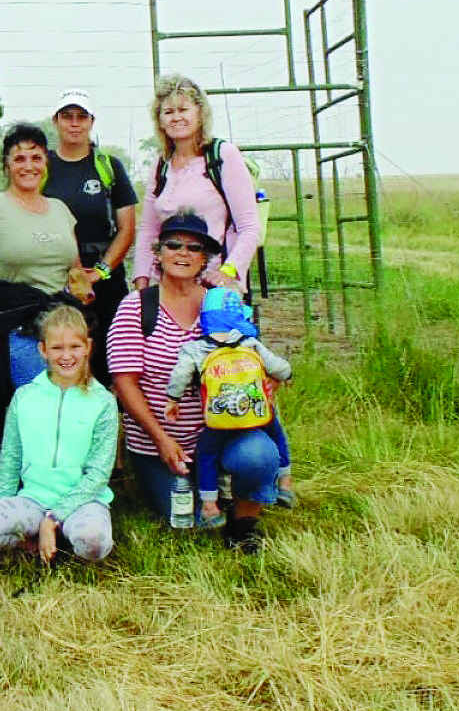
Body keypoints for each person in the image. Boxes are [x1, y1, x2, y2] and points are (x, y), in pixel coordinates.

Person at [110, 211, 283, 554]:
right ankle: (206, 489)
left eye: (194, 247)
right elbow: (125, 382)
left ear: (206, 259)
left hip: (225, 429)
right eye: (173, 244)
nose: (183, 253)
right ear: (158, 253)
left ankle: (244, 522)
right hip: (161, 443)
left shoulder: (222, 303)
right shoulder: (136, 308)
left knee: (258, 456)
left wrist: (268, 380)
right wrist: (161, 440)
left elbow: (252, 357)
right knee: (188, 523)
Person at [0, 306, 118, 563]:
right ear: (42, 350)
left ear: (88, 347)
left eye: (75, 347)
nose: (66, 356)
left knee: (94, 543)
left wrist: (53, 518)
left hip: (84, 502)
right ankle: (31, 539)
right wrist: (4, 510)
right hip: (34, 499)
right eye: (57, 348)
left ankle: (59, 534)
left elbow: (98, 474)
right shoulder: (24, 398)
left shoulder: (103, 402)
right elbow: (10, 462)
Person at [0, 123, 83, 389]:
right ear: (7, 165)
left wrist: (84, 291)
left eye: (36, 158)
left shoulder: (60, 209)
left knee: (69, 401)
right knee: (34, 401)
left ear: (46, 163)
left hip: (63, 328)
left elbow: (75, 268)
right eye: (19, 159)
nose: (28, 166)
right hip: (18, 327)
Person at [163, 287, 294, 529]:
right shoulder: (250, 344)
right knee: (278, 436)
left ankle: (209, 506)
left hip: (219, 419)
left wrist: (173, 399)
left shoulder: (196, 349)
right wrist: (286, 375)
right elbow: (277, 366)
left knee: (207, 456)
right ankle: (285, 482)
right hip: (256, 414)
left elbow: (179, 376)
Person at [131, 75, 263, 294]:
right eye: (168, 112)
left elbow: (249, 227)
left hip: (214, 284)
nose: (176, 118)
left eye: (183, 110)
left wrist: (228, 272)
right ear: (160, 121)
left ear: (200, 114)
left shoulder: (223, 156)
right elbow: (148, 230)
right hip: (166, 284)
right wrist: (141, 282)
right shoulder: (160, 164)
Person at [44, 89, 137, 384]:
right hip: (55, 277)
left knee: (111, 362)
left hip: (105, 278)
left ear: (91, 122)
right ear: (56, 121)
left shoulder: (108, 166)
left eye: (81, 117)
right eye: (67, 116)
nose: (74, 123)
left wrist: (99, 272)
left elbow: (127, 228)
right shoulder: (41, 166)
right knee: (64, 357)